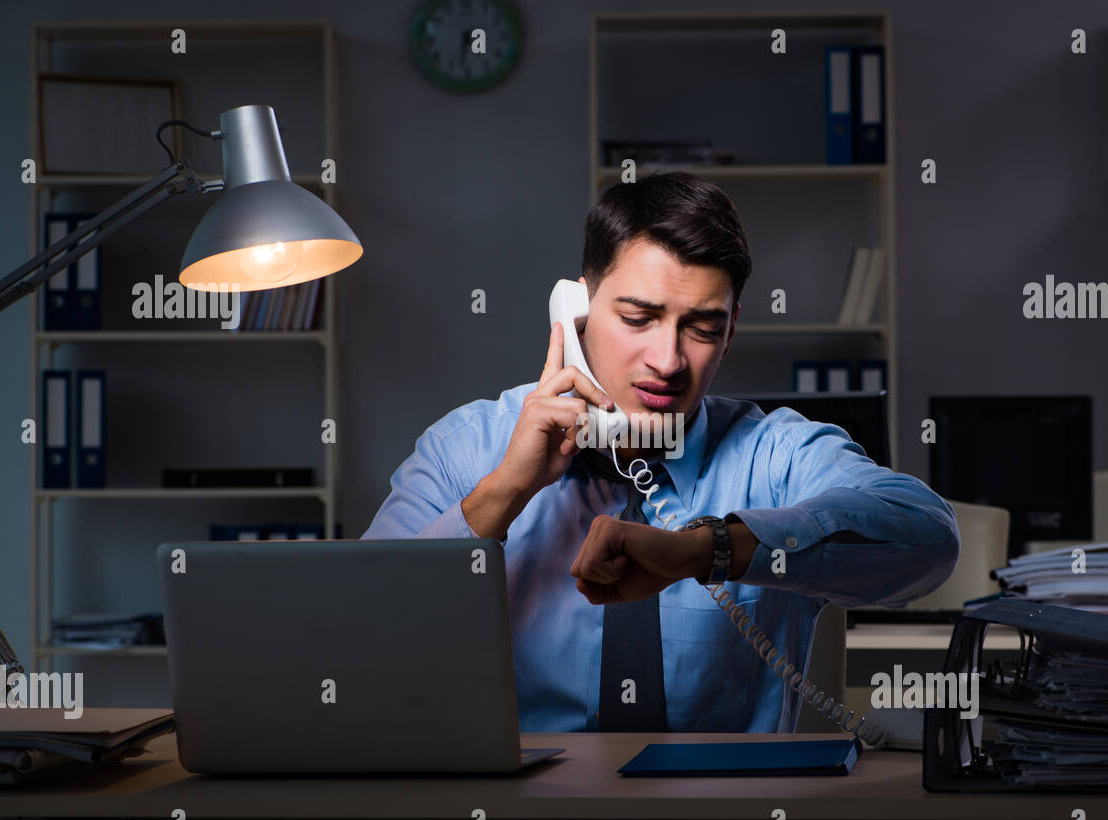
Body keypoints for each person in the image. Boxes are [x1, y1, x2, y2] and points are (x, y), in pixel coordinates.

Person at [363, 172, 959, 733]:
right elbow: (364, 642)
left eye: (701, 327)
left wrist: (707, 549)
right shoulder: (466, 447)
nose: (668, 361)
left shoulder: (774, 452)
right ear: (576, 310)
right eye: (637, 318)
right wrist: (505, 492)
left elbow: (929, 537)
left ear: (730, 333)